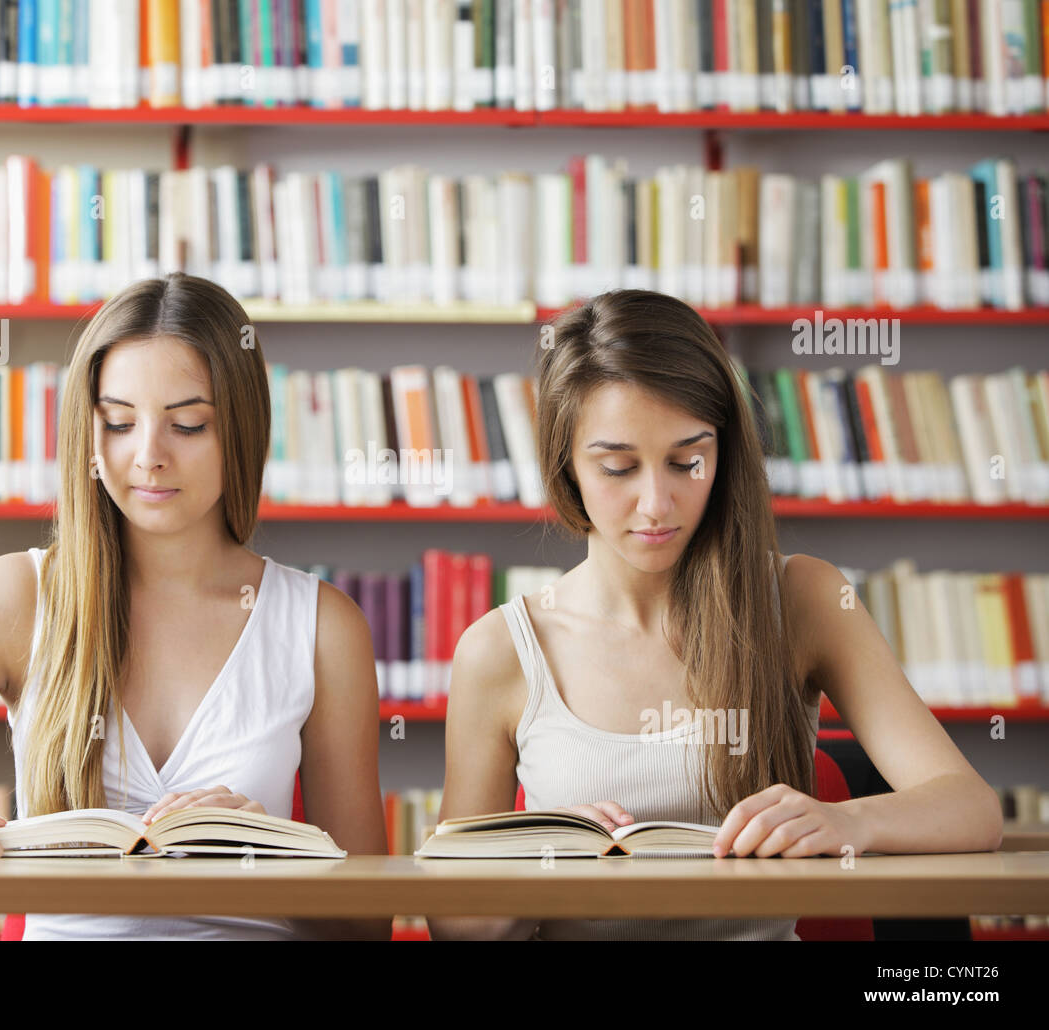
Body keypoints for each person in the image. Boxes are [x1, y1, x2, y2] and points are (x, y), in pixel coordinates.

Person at [0, 272, 391, 940]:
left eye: (188, 425)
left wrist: (265, 851)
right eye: (119, 422)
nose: (148, 456)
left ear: (241, 431)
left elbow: (364, 926)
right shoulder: (14, 597)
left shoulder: (321, 626)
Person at [428, 288, 1003, 941]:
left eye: (687, 461)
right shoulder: (500, 650)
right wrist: (544, 866)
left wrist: (851, 823)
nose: (656, 504)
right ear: (566, 466)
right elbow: (454, 924)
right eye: (618, 467)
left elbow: (972, 808)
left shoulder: (801, 598)